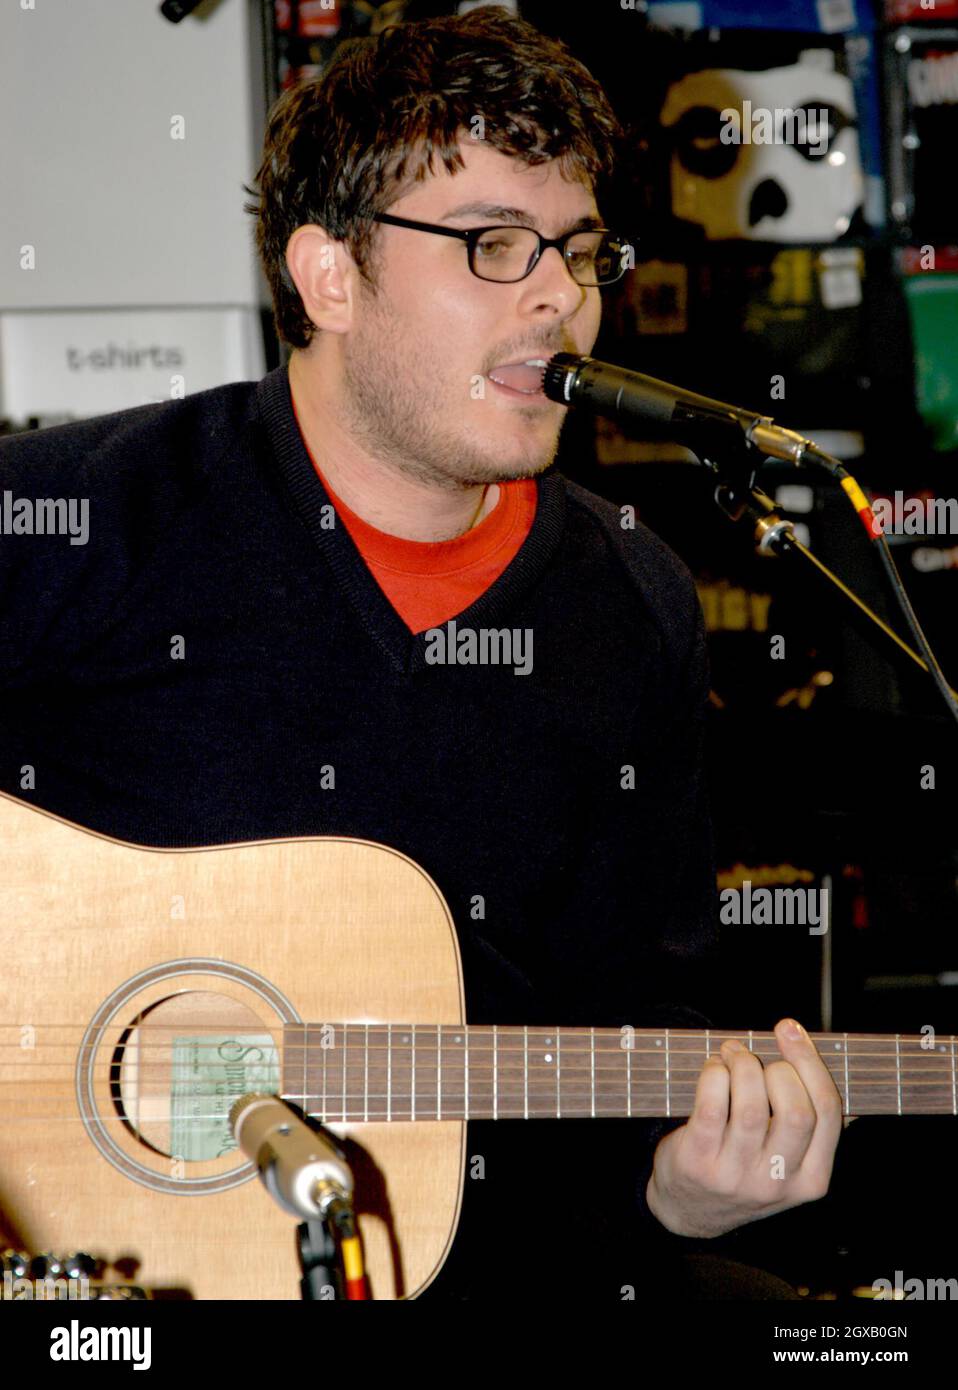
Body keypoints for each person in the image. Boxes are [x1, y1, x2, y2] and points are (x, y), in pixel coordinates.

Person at [0, 6, 841, 1299]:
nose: (562, 296)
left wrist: (681, 1190)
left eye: (577, 249)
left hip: (484, 1257)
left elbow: (641, 1035)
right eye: (493, 245)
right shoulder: (83, 516)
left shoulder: (632, 600)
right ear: (329, 277)